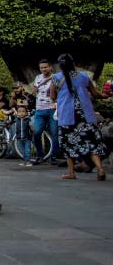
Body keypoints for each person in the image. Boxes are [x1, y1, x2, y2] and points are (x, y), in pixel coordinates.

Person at [50, 53, 109, 181]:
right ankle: (100, 169)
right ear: (73, 63)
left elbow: (52, 96)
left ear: (60, 66)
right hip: (85, 115)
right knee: (92, 143)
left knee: (68, 144)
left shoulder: (55, 78)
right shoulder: (84, 76)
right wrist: (105, 96)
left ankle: (71, 173)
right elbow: (95, 94)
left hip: (67, 116)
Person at [32, 59, 59, 165]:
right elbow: (34, 91)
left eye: (45, 67)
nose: (43, 69)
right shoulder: (38, 78)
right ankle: (40, 155)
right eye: (41, 68)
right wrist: (33, 91)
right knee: (37, 132)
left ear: (50, 67)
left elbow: (60, 91)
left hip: (52, 109)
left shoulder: (56, 77)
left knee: (54, 133)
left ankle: (54, 156)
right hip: (39, 109)